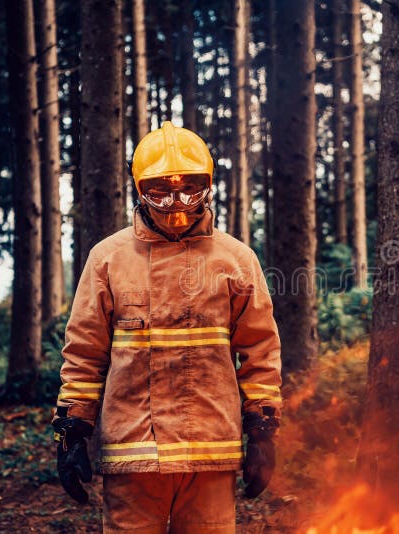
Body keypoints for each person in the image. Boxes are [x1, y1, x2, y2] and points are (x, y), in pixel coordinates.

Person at [51, 121, 282, 533]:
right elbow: (84, 351)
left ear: (208, 185)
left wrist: (262, 428)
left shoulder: (236, 260)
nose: (176, 203)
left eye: (188, 190)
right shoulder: (108, 259)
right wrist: (72, 428)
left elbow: (260, 350)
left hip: (211, 449)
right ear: (138, 189)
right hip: (134, 452)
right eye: (160, 192)